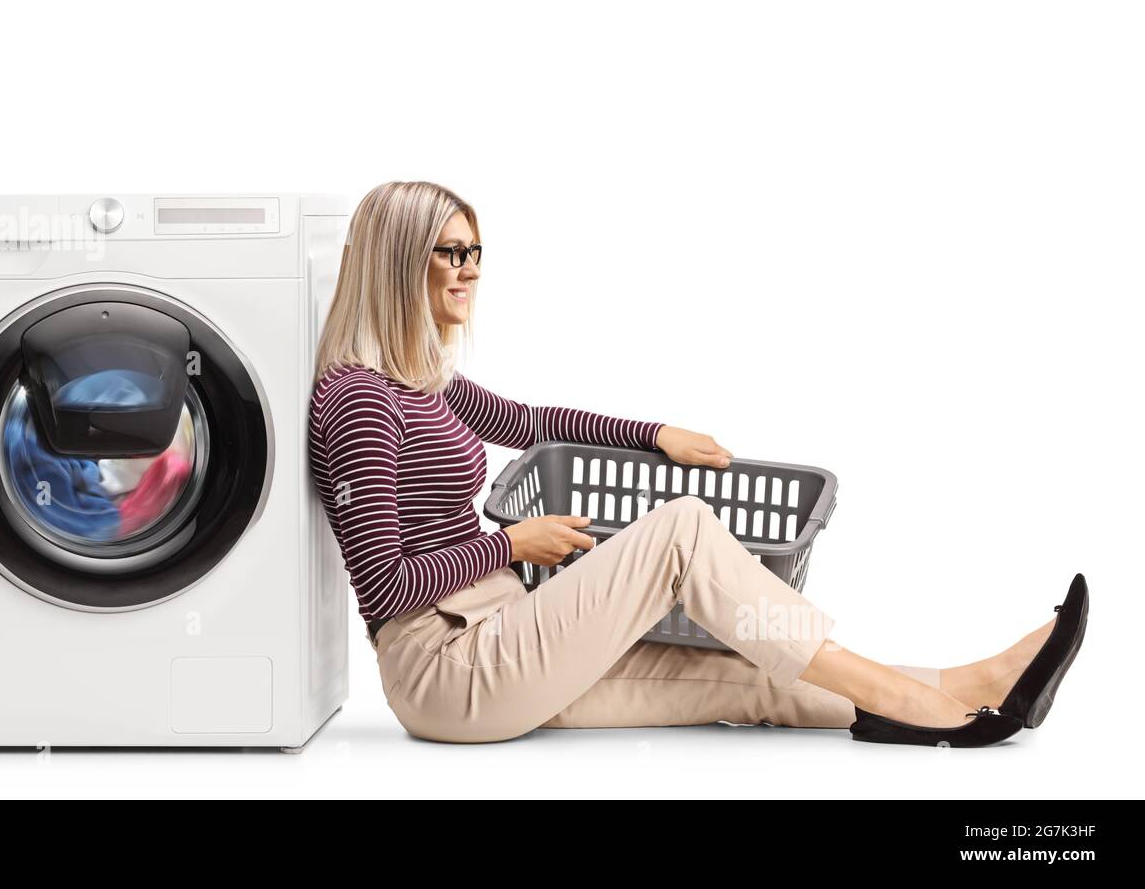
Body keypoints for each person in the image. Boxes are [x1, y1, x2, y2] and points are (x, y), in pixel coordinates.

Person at [307, 180, 1088, 747]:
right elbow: (383, 587)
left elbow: (532, 421)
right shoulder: (361, 402)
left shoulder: (422, 381)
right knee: (680, 530)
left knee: (748, 672)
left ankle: (960, 689)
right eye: (451, 251)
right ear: (398, 261)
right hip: (451, 670)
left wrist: (655, 436)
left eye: (476, 250)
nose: (472, 268)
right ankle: (906, 697)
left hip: (505, 634)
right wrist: (511, 544)